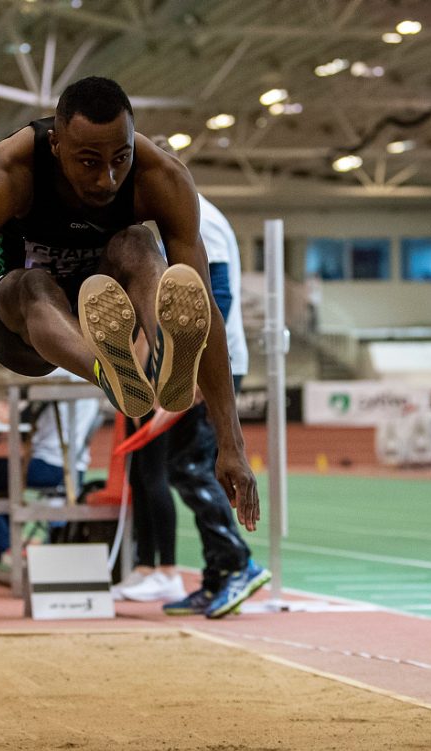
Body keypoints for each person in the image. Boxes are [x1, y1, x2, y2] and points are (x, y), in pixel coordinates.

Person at [0, 77, 260, 535]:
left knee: (138, 243)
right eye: (89, 162)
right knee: (32, 284)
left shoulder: (163, 176)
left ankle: (163, 352)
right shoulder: (7, 171)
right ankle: (108, 371)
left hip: (104, 301)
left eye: (121, 159)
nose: (107, 178)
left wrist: (230, 442)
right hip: (23, 326)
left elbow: (204, 311)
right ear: (56, 144)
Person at [116, 192, 269, 617]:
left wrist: (201, 375)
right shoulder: (173, 220)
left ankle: (238, 562)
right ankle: (218, 575)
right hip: (190, 366)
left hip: (213, 365)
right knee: (184, 466)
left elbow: (214, 300)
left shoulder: (200, 219)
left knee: (190, 467)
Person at [0, 390, 104, 563]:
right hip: (75, 470)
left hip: (48, 466)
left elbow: (19, 400)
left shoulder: (57, 373)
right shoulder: (90, 381)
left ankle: (4, 547)